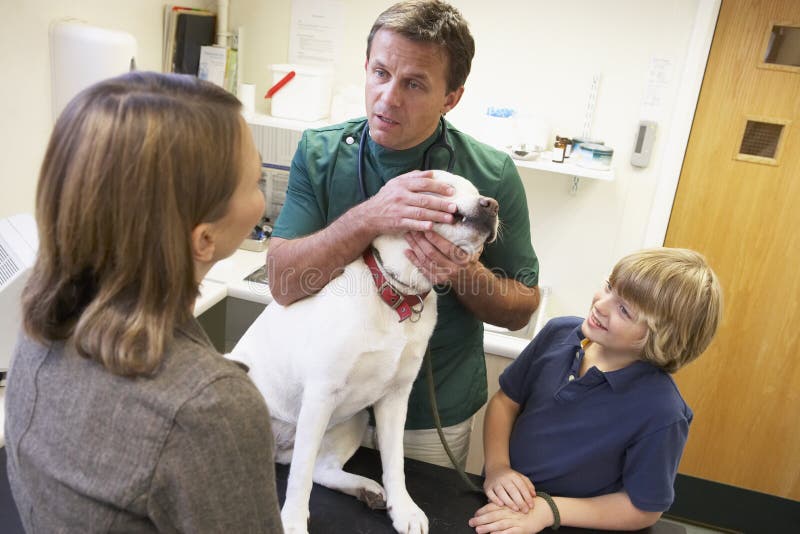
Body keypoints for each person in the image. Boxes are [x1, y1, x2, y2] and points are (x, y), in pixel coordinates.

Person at [4, 72, 284, 533]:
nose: (263, 199)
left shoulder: (39, 333)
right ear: (204, 238)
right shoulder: (209, 409)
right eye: (256, 181)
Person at [267, 0, 540, 468]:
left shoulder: (489, 175)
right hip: (326, 400)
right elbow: (283, 284)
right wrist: (368, 218)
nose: (388, 97)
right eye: (380, 73)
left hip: (427, 416)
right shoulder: (320, 153)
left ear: (451, 97)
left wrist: (461, 271)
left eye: (414, 84)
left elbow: (521, 308)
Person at [469, 248, 723, 533]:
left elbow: (643, 508)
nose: (602, 305)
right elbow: (505, 403)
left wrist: (548, 510)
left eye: (624, 310)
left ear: (661, 338)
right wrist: (497, 469)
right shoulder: (558, 333)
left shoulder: (663, 411)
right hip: (501, 504)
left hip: (572, 523)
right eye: (609, 287)